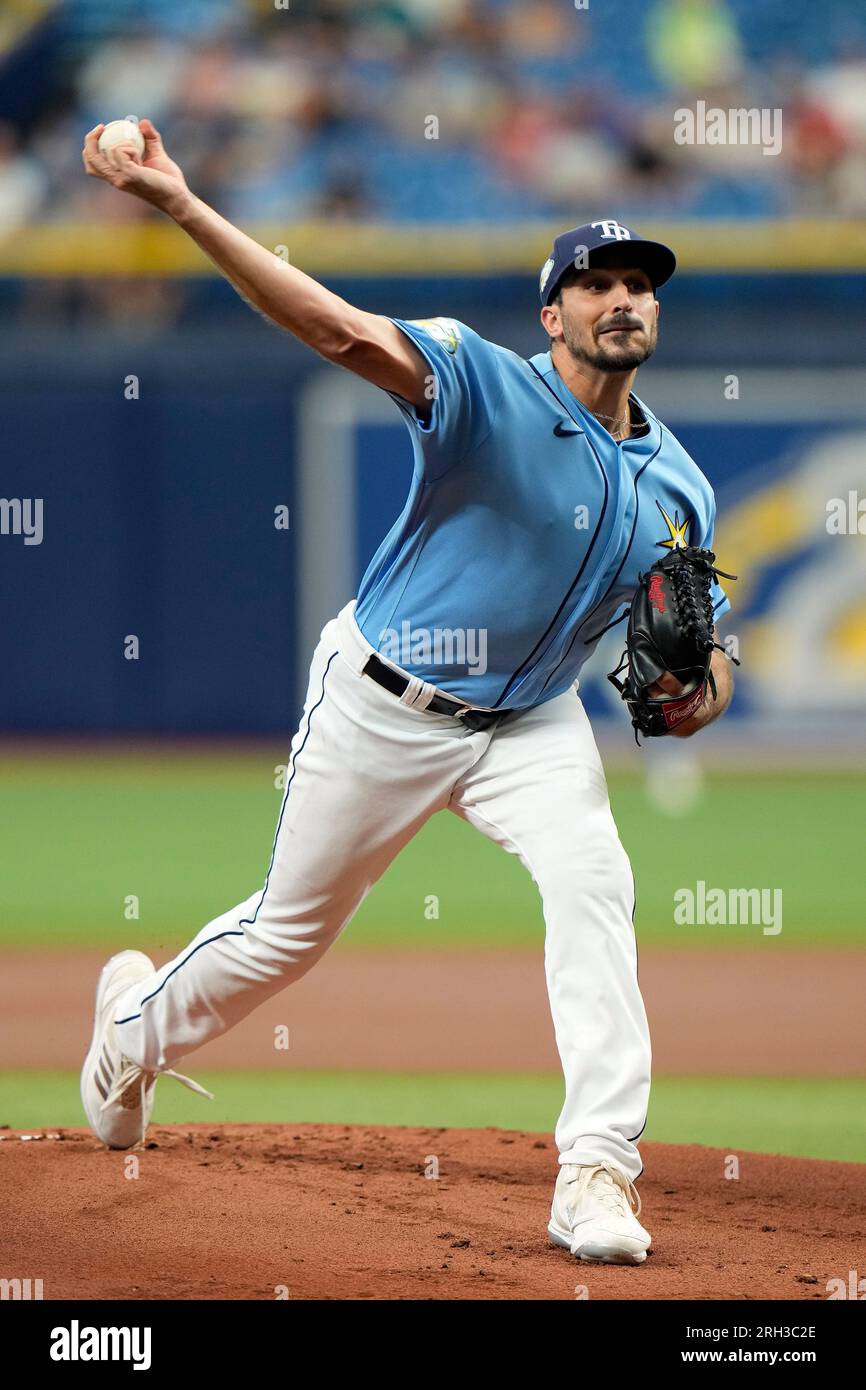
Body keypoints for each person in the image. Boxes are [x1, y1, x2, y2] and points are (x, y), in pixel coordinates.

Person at [80, 120, 733, 1266]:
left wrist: (696, 694)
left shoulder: (679, 484)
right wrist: (181, 203)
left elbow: (704, 668)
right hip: (386, 698)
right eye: (594, 284)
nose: (619, 298)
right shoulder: (480, 381)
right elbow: (331, 325)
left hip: (530, 722)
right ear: (552, 313)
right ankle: (131, 1028)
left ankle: (594, 1171)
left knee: (595, 883)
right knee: (285, 936)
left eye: (637, 284)